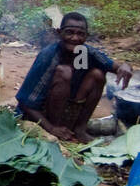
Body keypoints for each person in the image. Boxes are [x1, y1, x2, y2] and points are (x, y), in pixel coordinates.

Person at [15, 11, 133, 142]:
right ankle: (57, 131)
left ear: (86, 36)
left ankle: (79, 130)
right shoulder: (48, 55)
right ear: (59, 33)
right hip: (40, 116)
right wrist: (51, 128)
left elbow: (115, 66)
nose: (75, 38)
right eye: (70, 32)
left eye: (80, 34)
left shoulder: (85, 52)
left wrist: (126, 66)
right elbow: (25, 103)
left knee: (97, 75)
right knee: (64, 72)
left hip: (66, 110)